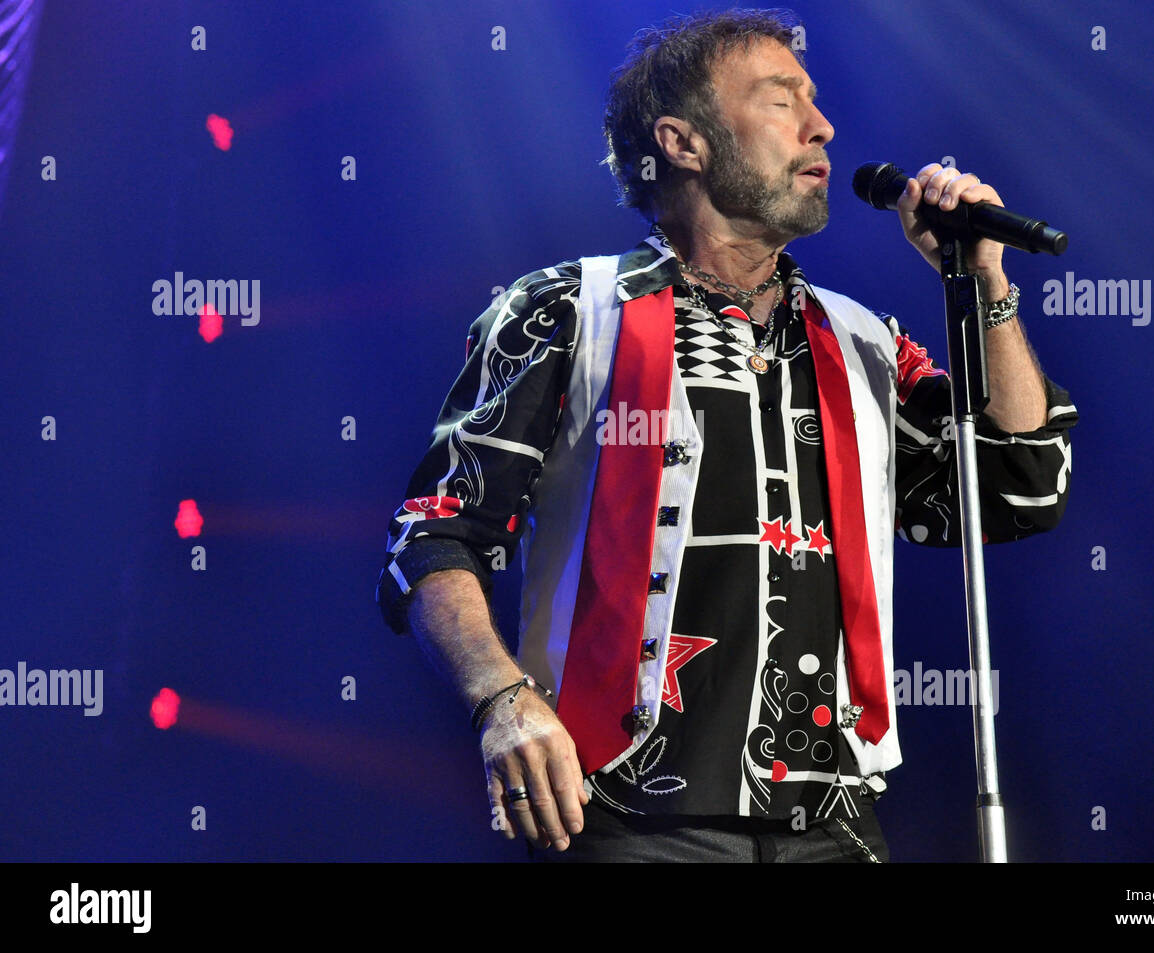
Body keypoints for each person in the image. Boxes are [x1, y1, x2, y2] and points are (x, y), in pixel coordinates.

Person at [374, 8, 1077, 863]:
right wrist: (502, 701)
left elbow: (1021, 487)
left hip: (835, 823)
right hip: (626, 818)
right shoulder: (567, 313)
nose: (822, 125)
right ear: (683, 141)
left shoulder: (866, 344)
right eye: (783, 100)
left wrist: (984, 284)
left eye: (814, 100)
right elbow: (434, 534)